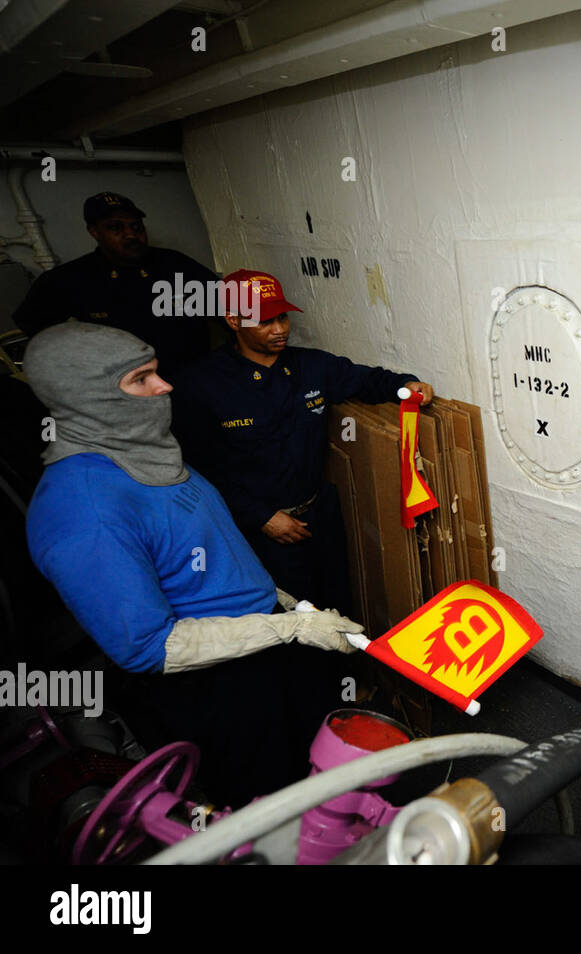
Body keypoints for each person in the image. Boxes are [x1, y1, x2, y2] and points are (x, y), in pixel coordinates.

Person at [23, 323, 362, 806]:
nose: (165, 388)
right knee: (268, 800)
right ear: (87, 397)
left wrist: (287, 606)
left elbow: (210, 549)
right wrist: (288, 630)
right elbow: (149, 648)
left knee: (316, 766)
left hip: (263, 642)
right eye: (142, 380)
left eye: (157, 373)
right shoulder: (82, 511)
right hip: (213, 683)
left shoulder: (147, 453)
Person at [171, 269, 434, 612]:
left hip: (318, 515)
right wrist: (261, 516)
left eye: (282, 317)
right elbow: (197, 466)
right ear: (233, 320)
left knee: (337, 606)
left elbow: (368, 380)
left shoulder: (312, 366)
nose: (280, 329)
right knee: (287, 617)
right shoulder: (201, 384)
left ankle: (344, 667)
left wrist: (408, 385)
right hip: (259, 530)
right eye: (265, 321)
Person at [12, 192, 219, 377]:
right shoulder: (71, 278)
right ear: (94, 232)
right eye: (115, 227)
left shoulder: (175, 264)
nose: (130, 234)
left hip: (193, 378)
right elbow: (32, 322)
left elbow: (227, 308)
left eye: (136, 226)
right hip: (124, 388)